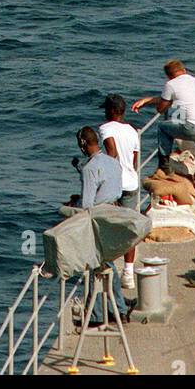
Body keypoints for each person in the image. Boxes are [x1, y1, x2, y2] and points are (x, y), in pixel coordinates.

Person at [132, 60, 195, 217]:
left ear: (168, 76)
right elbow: (175, 98)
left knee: (163, 127)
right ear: (183, 70)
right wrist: (148, 100)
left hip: (194, 128)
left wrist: (153, 103)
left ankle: (164, 163)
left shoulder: (171, 84)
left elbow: (162, 108)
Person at [72, 126, 127, 321]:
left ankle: (96, 315)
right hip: (115, 212)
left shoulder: (89, 168)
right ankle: (118, 308)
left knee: (97, 265)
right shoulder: (113, 163)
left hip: (99, 218)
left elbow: (87, 205)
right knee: (107, 263)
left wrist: (73, 207)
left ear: (83, 144)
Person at [99, 94, 141, 289]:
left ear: (112, 111)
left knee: (107, 227)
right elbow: (133, 160)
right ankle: (129, 273)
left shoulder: (105, 129)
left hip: (115, 185)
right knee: (129, 229)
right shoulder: (133, 131)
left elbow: (112, 154)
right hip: (132, 183)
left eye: (106, 109)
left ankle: (106, 269)